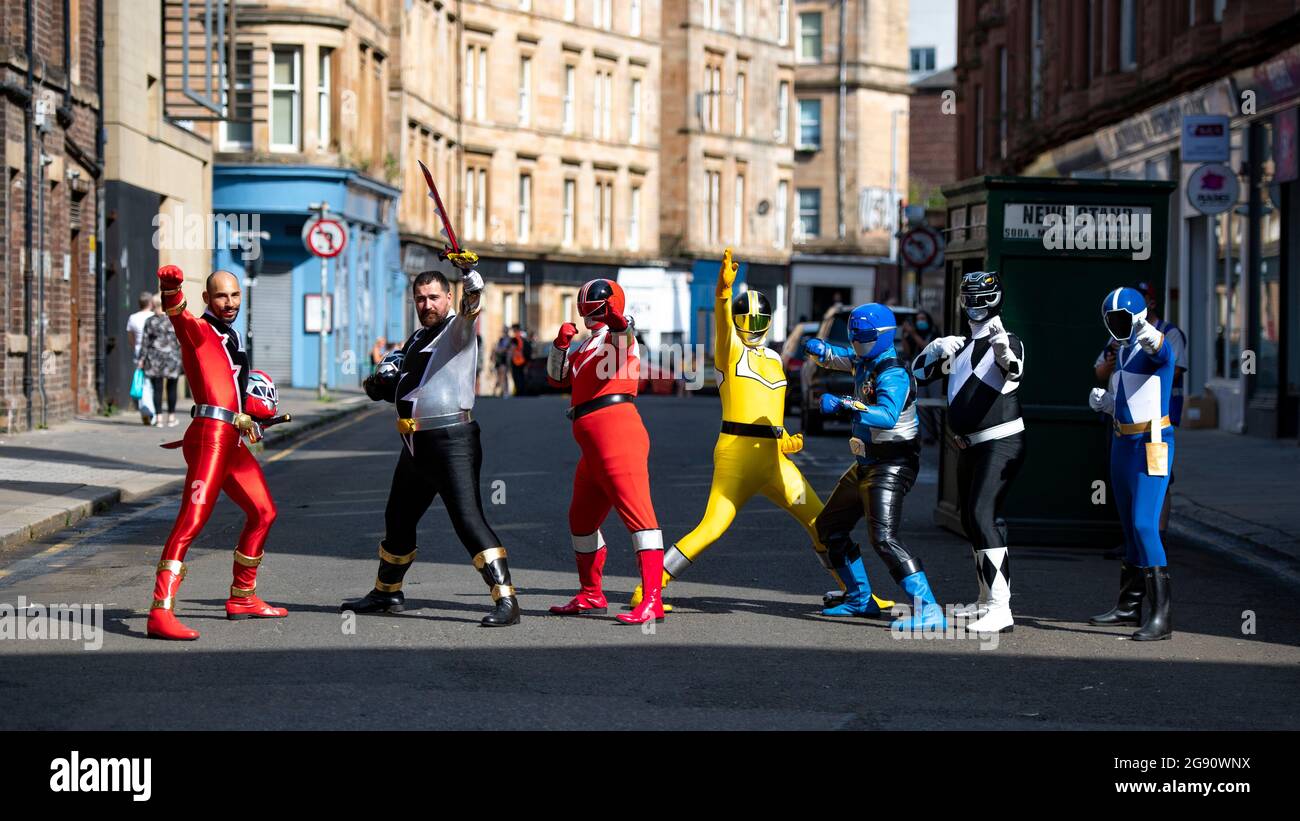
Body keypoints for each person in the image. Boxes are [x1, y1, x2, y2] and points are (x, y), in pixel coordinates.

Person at [628, 249, 893, 614]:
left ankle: (859, 595)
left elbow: (772, 408)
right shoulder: (730, 352)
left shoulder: (772, 358)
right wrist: (723, 294)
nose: (752, 324)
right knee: (713, 527)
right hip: (736, 456)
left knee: (822, 523)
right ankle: (651, 587)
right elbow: (723, 327)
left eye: (758, 319)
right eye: (745, 318)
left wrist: (784, 436)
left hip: (774, 460)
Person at [341, 258, 521, 627]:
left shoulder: (457, 328)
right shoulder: (417, 339)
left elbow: (474, 301)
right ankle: (387, 592)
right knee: (398, 519)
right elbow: (405, 385)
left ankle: (507, 600)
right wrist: (380, 385)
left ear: (449, 297)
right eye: (420, 299)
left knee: (468, 520)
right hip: (415, 444)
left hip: (451, 440)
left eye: (434, 297)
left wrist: (471, 274)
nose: (427, 305)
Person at [146, 266, 288, 640]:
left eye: (235, 295)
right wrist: (171, 288)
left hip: (232, 437)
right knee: (191, 520)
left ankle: (243, 597)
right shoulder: (200, 330)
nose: (229, 303)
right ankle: (160, 610)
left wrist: (250, 419)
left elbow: (231, 390)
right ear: (207, 299)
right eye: (221, 296)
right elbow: (178, 315)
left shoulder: (233, 334)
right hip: (209, 436)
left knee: (264, 511)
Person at [804, 303, 946, 631]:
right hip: (867, 463)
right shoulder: (864, 360)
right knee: (828, 526)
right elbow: (841, 357)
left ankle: (929, 608)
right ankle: (859, 598)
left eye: (863, 336)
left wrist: (843, 404)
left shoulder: (893, 372)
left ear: (881, 336)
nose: (856, 341)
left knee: (883, 537)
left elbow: (886, 415)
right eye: (854, 336)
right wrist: (821, 350)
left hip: (893, 464)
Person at [546, 278, 666, 625]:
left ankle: (653, 600)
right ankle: (590, 593)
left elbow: (622, 338)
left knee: (640, 517)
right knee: (581, 521)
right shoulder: (585, 346)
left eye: (595, 307)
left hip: (617, 433)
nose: (589, 313)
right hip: (593, 444)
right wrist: (560, 345)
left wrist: (618, 321)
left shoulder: (621, 337)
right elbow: (556, 378)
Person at [912, 272, 1026, 634]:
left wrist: (1005, 354)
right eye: (969, 299)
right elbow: (918, 373)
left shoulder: (1006, 340)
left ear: (994, 300)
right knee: (971, 520)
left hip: (1001, 441)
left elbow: (1016, 368)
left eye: (980, 299)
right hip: (971, 445)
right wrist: (931, 350)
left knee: (981, 515)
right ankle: (985, 601)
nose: (974, 306)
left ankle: (1000, 607)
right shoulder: (961, 345)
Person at [1087, 287, 1176, 641]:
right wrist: (1107, 403)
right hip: (1122, 442)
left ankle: (1161, 617)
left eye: (1122, 319)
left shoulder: (1154, 344)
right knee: (1128, 527)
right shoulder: (1122, 351)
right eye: (1112, 319)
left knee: (1144, 525)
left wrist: (1148, 333)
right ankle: (1129, 605)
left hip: (1151, 443)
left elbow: (1162, 353)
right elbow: (1129, 393)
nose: (1116, 325)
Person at [1095, 280, 1186, 557]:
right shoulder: (1119, 343)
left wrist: (1153, 345)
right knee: (1130, 517)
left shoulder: (1166, 335)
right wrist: (1110, 403)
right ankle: (1130, 599)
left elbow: (1168, 362)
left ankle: (1159, 537)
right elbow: (1102, 372)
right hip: (1124, 432)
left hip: (1153, 434)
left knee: (1147, 517)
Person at [139, 294, 183, 427]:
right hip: (172, 358)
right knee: (172, 388)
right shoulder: (174, 320)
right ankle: (171, 417)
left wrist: (142, 359)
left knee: (157, 388)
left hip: (155, 358)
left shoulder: (150, 321)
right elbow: (181, 340)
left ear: (153, 304)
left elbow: (145, 342)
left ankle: (158, 418)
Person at [903, 310, 942, 444]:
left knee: (936, 405)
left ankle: (940, 434)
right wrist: (905, 335)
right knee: (922, 405)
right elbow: (907, 351)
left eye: (923, 319)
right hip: (919, 376)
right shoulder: (913, 334)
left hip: (934, 375)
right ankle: (927, 436)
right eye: (918, 319)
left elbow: (927, 348)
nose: (920, 322)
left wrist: (913, 334)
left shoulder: (934, 335)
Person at [126, 290, 156, 424]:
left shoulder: (133, 317)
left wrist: (136, 348)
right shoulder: (155, 316)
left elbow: (131, 338)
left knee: (143, 384)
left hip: (138, 353)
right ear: (151, 303)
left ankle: (146, 413)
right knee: (153, 385)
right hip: (154, 354)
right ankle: (153, 412)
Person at [509, 324, 530, 396]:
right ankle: (523, 391)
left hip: (516, 361)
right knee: (522, 376)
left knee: (516, 376)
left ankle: (519, 391)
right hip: (523, 360)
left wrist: (509, 358)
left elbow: (512, 350)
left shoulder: (515, 339)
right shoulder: (523, 338)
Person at [492, 329, 512, 397]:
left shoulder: (509, 340)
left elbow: (504, 350)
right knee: (501, 377)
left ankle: (504, 391)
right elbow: (497, 349)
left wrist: (498, 350)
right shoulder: (501, 339)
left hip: (504, 360)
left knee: (503, 376)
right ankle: (503, 391)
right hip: (500, 361)